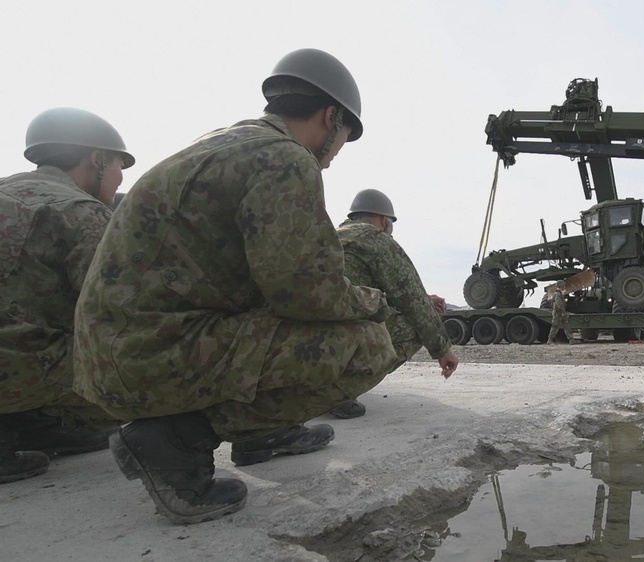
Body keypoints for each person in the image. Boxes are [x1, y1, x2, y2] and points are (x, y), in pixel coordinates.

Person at [72, 48, 401, 525]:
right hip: (146, 358)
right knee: (366, 344)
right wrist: (371, 301)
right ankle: (174, 439)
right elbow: (305, 291)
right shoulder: (286, 159)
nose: (337, 152)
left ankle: (220, 433)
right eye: (345, 136)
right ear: (331, 117)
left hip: (108, 356)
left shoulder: (217, 144)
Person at [0, 108, 134, 484]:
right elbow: (122, 312)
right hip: (14, 369)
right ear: (97, 159)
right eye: (120, 167)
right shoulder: (81, 211)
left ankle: (28, 425)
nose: (120, 179)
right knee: (151, 361)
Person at [328, 189, 459, 419]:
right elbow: (413, 300)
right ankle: (340, 392)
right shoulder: (376, 240)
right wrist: (442, 349)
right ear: (385, 221)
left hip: (312, 336)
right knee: (414, 325)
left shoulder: (330, 237)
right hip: (348, 335)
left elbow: (356, 291)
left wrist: (423, 299)